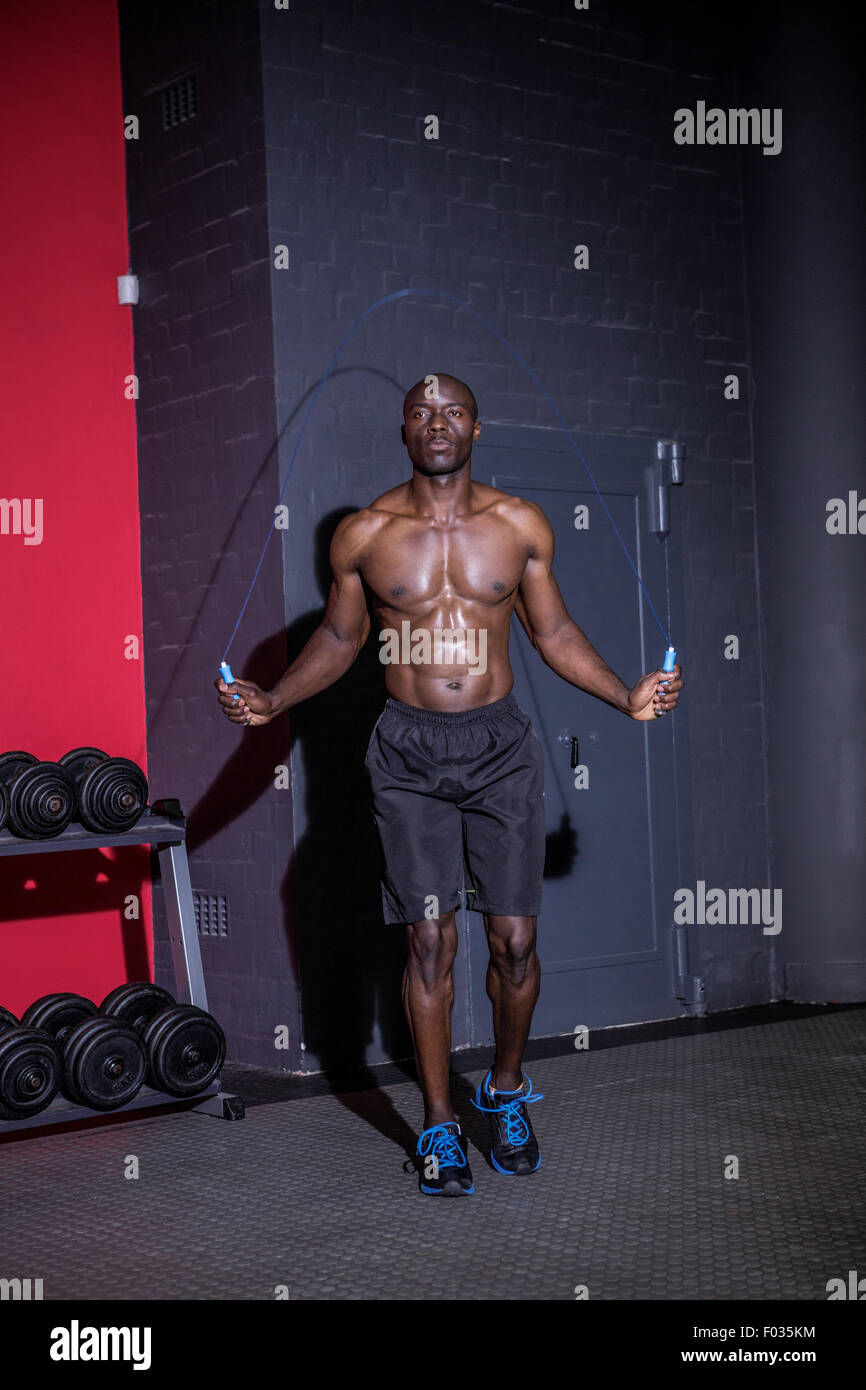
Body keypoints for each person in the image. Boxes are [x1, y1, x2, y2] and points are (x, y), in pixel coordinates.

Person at [215, 373, 684, 1196]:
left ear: (477, 427)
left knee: (515, 942)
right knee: (430, 940)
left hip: (499, 746)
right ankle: (438, 1127)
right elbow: (338, 635)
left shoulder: (518, 525)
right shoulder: (365, 534)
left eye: (453, 412)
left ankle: (504, 1093)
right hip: (407, 755)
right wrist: (274, 698)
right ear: (404, 430)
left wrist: (624, 695)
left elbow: (555, 630)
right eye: (423, 413)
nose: (438, 424)